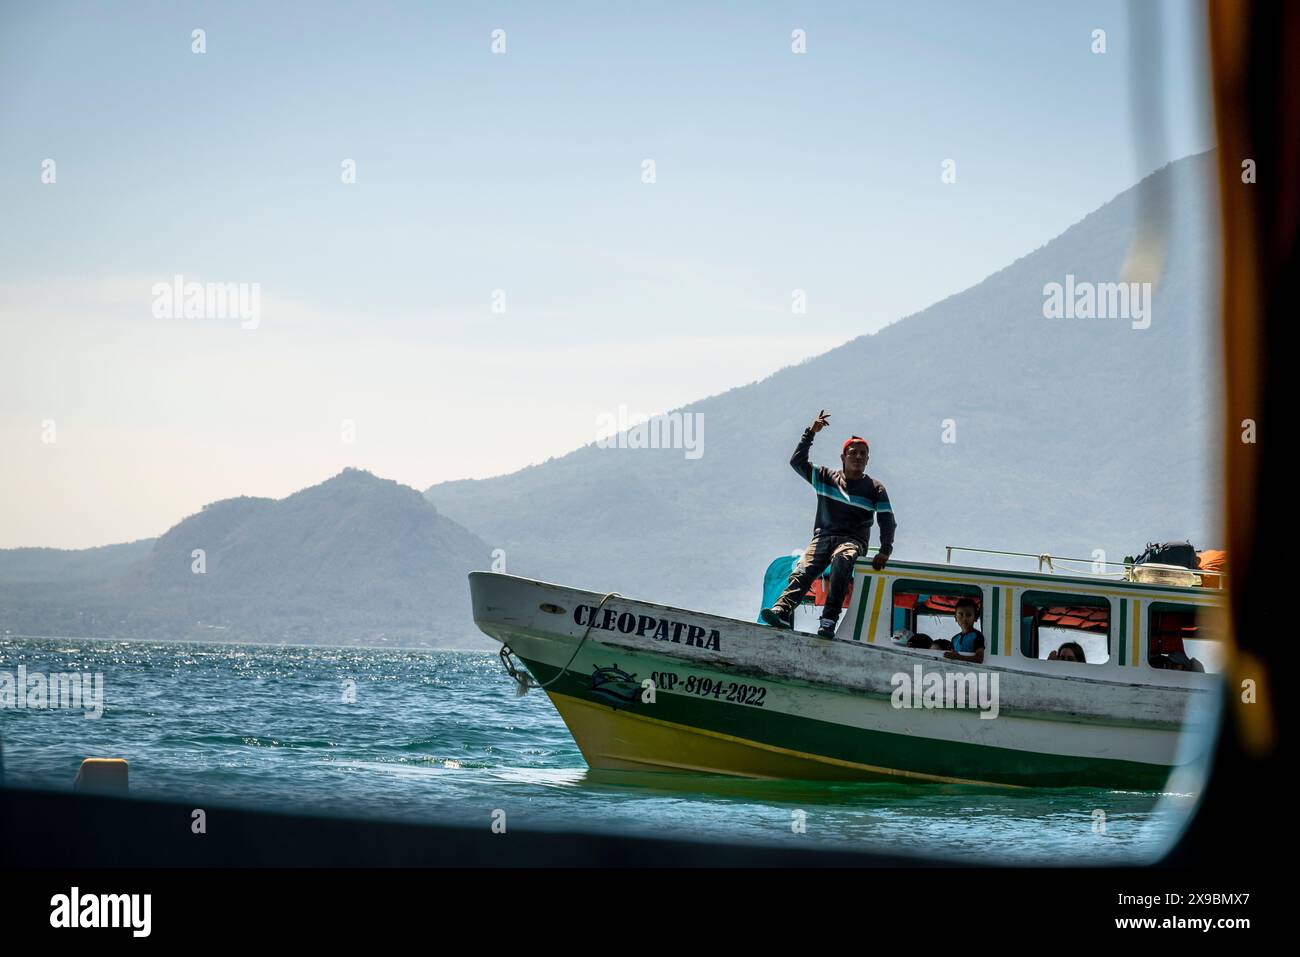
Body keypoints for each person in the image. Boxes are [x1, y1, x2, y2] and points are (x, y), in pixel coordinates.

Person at [760, 409, 896, 638]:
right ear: (843, 457)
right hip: (823, 536)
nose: (858, 457)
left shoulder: (875, 488)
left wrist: (884, 550)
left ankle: (829, 619)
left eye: (863, 454)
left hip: (853, 541)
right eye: (853, 453)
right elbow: (797, 461)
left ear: (868, 459)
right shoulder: (825, 477)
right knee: (804, 568)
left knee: (843, 560)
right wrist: (811, 432)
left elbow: (887, 521)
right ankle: (781, 610)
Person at [942, 597, 985, 663]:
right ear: (955, 618)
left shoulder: (978, 636)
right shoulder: (954, 639)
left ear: (975, 618)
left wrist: (958, 657)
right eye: (960, 615)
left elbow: (979, 659)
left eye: (969, 615)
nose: (964, 618)